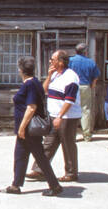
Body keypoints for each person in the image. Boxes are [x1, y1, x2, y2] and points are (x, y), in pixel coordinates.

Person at [3, 57, 62, 196]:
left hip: (29, 129)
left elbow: (31, 107)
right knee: (20, 155)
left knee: (39, 157)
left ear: (21, 70)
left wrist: (21, 128)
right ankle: (15, 185)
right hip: (27, 129)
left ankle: (55, 186)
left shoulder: (29, 85)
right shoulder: (35, 82)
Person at [34, 49, 81, 181]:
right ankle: (40, 169)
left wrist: (60, 116)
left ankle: (71, 173)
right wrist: (49, 76)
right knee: (48, 143)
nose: (50, 61)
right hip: (54, 115)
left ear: (61, 62)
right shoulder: (56, 75)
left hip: (67, 117)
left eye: (53, 59)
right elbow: (43, 90)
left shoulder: (71, 77)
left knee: (67, 144)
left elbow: (69, 100)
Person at [68, 44, 101, 142]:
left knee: (72, 109)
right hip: (85, 86)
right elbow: (95, 77)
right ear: (85, 51)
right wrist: (92, 86)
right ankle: (87, 135)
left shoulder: (70, 61)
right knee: (85, 110)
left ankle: (72, 135)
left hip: (72, 86)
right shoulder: (90, 62)